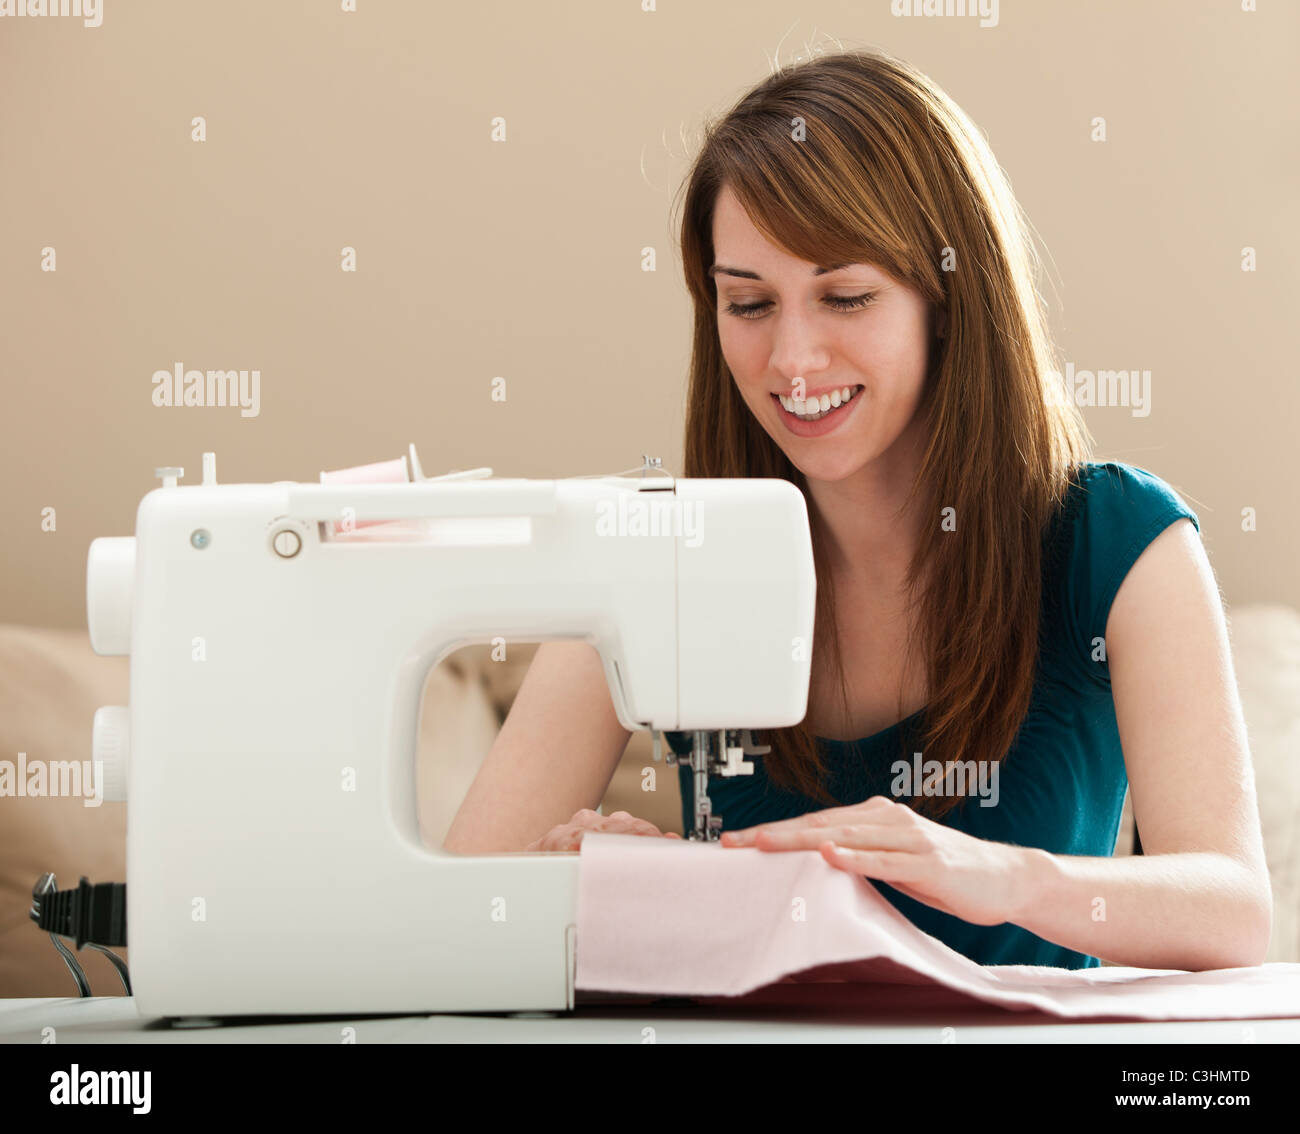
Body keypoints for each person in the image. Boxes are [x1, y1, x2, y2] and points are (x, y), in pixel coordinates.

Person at [444, 48, 1271, 972]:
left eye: (845, 296)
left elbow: (1232, 914)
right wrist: (611, 897)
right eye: (749, 304)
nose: (792, 360)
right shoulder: (657, 556)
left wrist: (994, 874)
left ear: (948, 301)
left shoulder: (1115, 543)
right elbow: (455, 923)